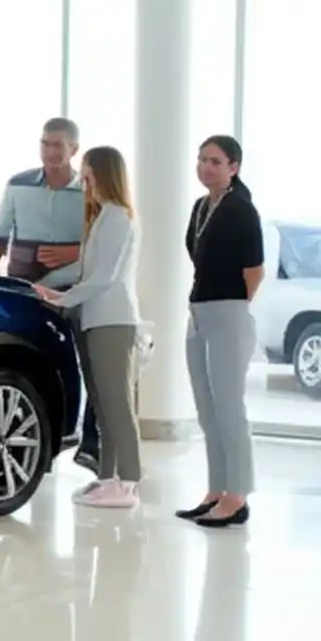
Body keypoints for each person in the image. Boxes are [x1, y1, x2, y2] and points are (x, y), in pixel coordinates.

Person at [0, 118, 100, 471]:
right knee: (22, 363)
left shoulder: (90, 190)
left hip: (73, 289)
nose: (50, 151)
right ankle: (25, 442)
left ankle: (89, 444)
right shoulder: (18, 184)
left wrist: (72, 252)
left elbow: (106, 241)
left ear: (74, 149)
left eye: (58, 145)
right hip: (26, 289)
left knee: (88, 367)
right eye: (45, 143)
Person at [34, 146, 142, 508]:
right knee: (101, 403)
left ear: (104, 175)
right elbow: (87, 273)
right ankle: (108, 477)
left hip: (113, 320)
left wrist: (60, 299)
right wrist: (52, 290)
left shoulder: (119, 218)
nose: (84, 182)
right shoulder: (102, 217)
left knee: (117, 403)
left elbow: (104, 278)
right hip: (94, 319)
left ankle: (128, 481)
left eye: (88, 175)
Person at [176, 135, 264, 528]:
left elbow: (254, 272)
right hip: (198, 311)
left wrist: (231, 308)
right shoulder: (201, 207)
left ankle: (237, 496)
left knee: (229, 408)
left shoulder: (242, 210)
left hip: (227, 312)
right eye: (201, 159)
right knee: (207, 409)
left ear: (234, 167)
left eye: (215, 161)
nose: (205, 167)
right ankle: (216, 489)